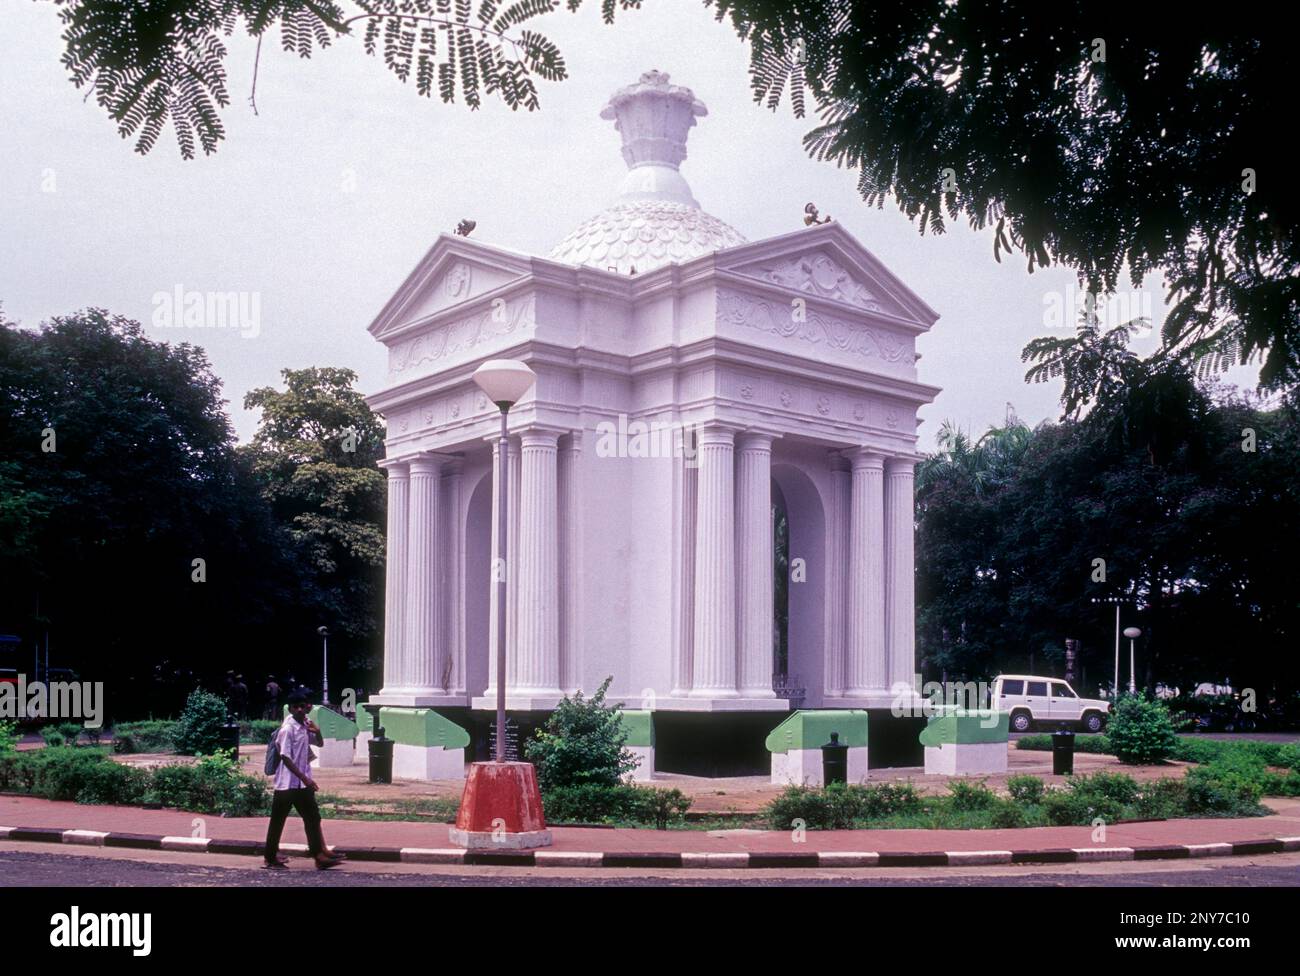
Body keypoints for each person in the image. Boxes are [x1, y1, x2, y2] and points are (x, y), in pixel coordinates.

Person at [263, 690, 345, 870]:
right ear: (290, 709)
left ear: (308, 706)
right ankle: (270, 857)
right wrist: (305, 778)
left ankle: (319, 855)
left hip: (302, 783)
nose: (300, 709)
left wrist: (318, 731)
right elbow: (285, 757)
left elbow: (319, 744)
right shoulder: (287, 729)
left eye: (303, 706)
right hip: (287, 785)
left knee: (313, 818)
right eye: (296, 707)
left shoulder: (305, 725)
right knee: (278, 821)